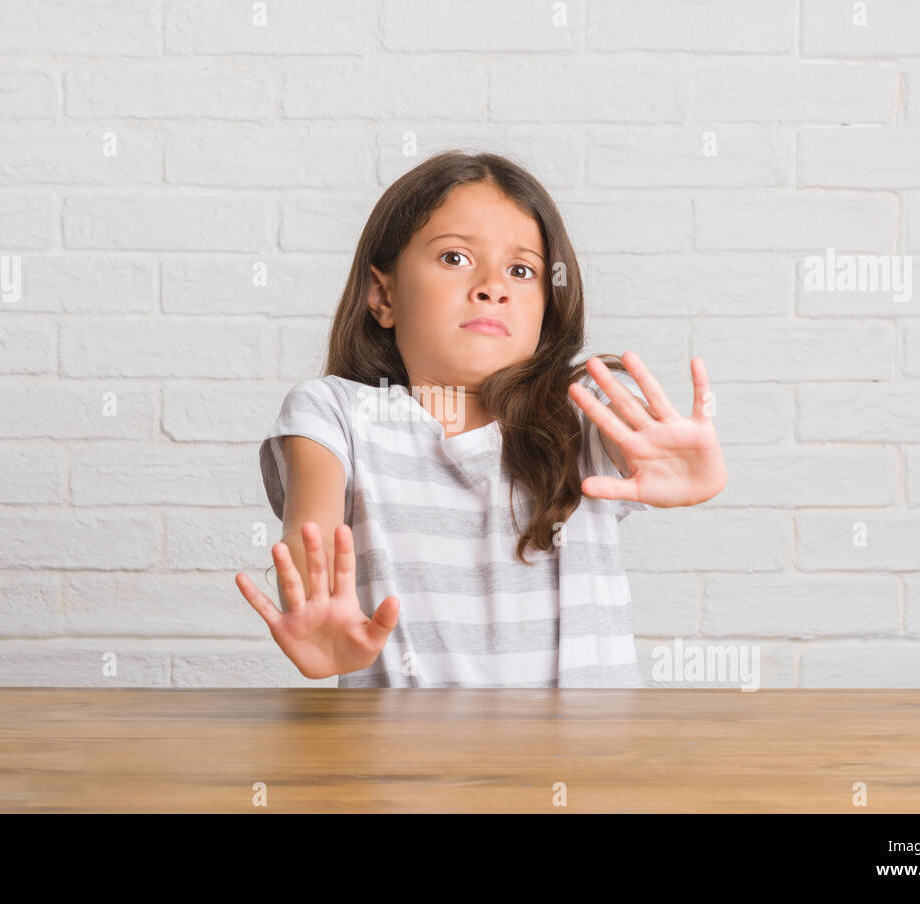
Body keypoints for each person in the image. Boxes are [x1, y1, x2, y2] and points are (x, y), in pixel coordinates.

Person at [235, 149, 727, 687]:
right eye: (455, 258)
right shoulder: (336, 414)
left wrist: (679, 469)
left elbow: (634, 437)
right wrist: (317, 613)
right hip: (405, 763)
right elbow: (314, 546)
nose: (494, 287)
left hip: (588, 761)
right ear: (383, 294)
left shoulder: (583, 406)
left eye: (521, 270)